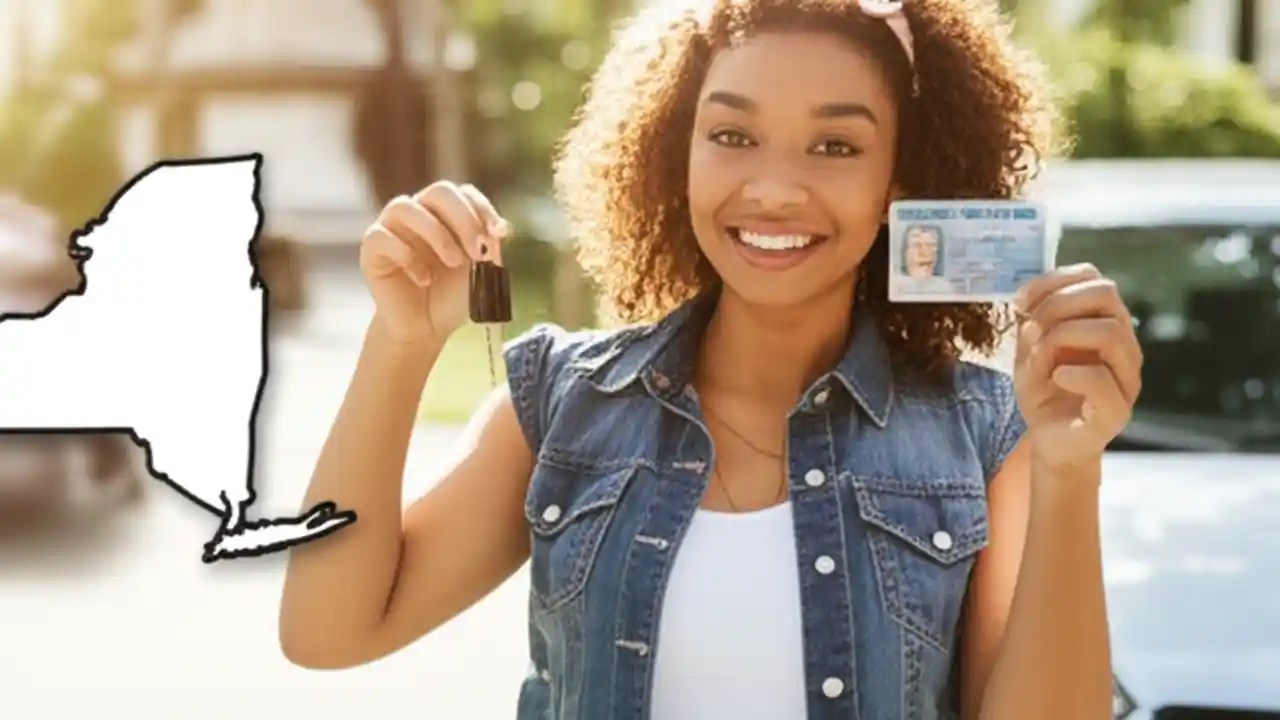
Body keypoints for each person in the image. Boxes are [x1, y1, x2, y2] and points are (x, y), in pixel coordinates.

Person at [278, 0, 1144, 718]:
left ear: (900, 184)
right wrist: (399, 346)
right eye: (732, 135)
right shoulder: (564, 406)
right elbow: (326, 630)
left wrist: (1070, 471)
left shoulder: (983, 437)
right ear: (676, 152)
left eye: (835, 146)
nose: (773, 189)